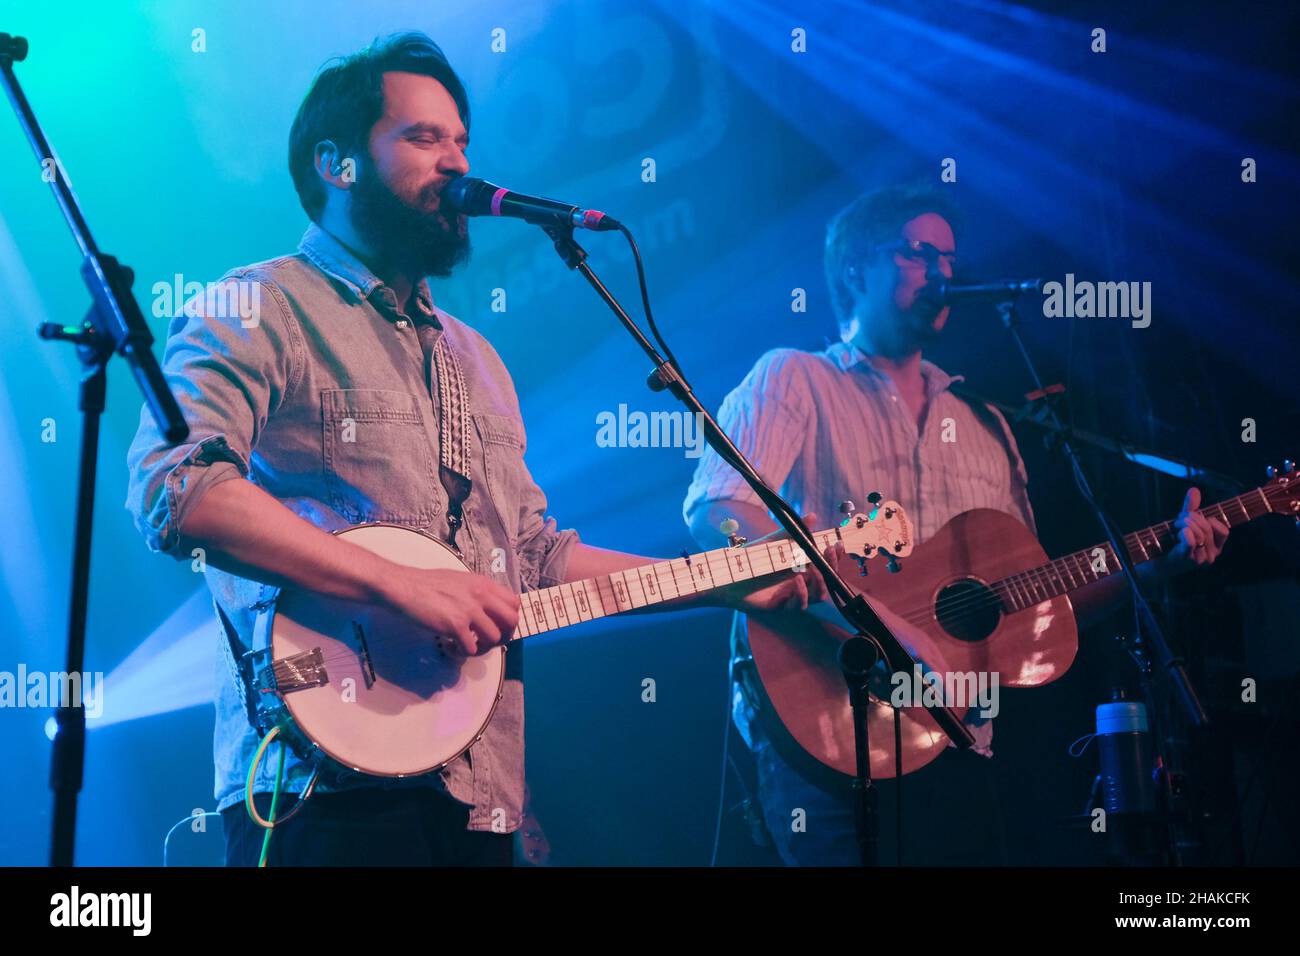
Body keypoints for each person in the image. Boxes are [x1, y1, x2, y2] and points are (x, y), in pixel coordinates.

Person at [125, 32, 813, 867]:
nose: (455, 163)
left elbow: (536, 557)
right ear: (337, 163)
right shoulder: (256, 305)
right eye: (422, 138)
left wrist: (723, 586)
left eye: (461, 142)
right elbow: (175, 488)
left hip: (479, 788)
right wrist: (399, 583)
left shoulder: (477, 358)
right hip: (320, 783)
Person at [682, 182, 1231, 865]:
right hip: (831, 721)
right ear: (857, 267)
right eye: (918, 254)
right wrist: (862, 614)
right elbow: (717, 512)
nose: (943, 272)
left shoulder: (988, 424)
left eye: (948, 257)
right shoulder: (795, 379)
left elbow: (1038, 604)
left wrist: (1152, 565)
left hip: (965, 740)